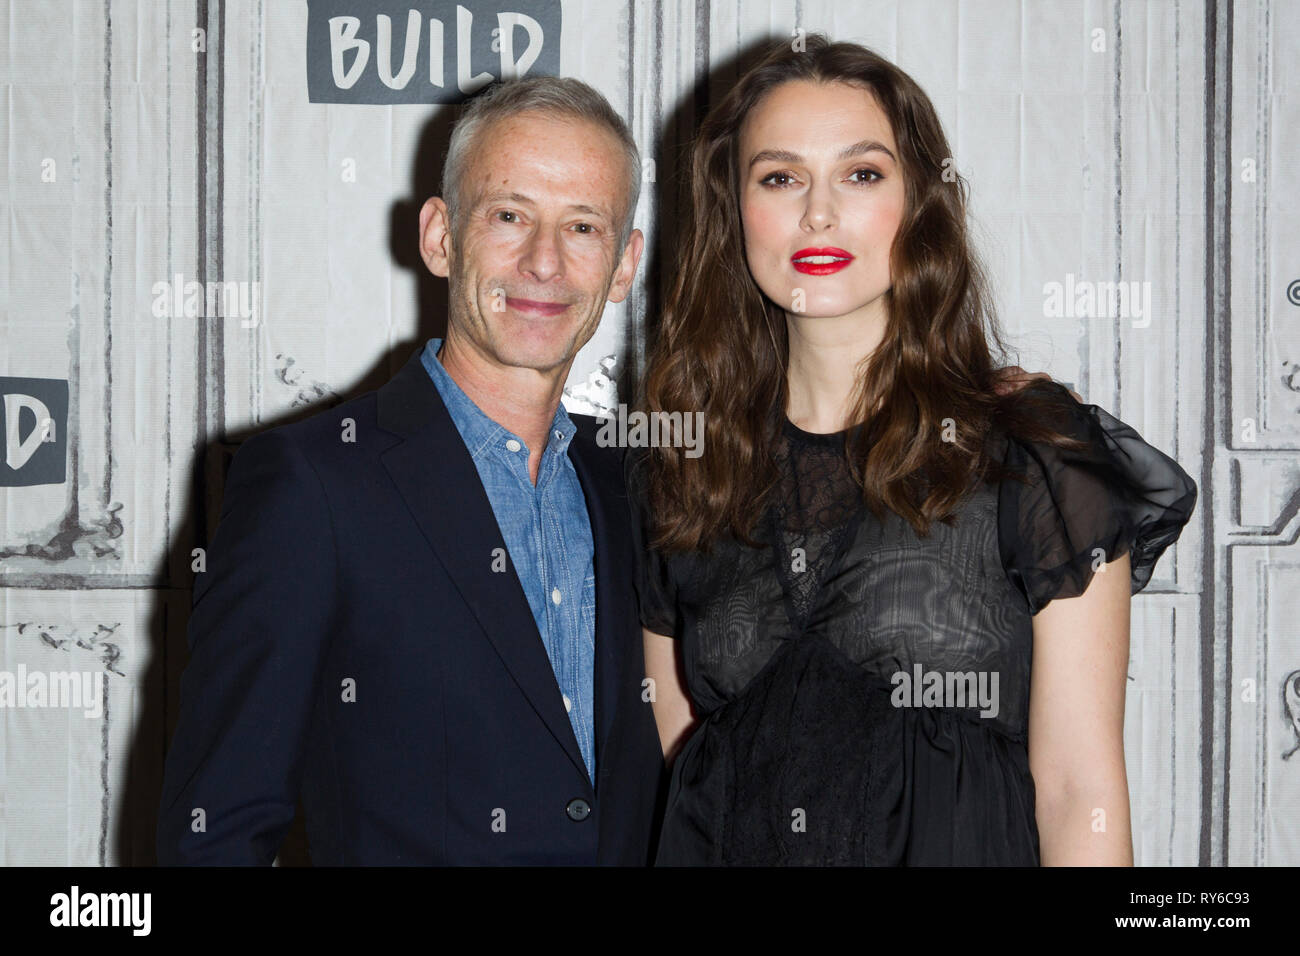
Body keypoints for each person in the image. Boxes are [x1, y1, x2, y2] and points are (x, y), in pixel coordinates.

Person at [629, 36, 1198, 866]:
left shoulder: (1032, 453)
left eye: (862, 174)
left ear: (920, 203)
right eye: (779, 177)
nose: (818, 213)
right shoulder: (680, 474)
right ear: (732, 209)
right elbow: (689, 768)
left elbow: (1082, 792)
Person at [157, 77, 666, 865]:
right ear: (440, 237)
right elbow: (216, 830)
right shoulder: (309, 484)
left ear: (624, 263)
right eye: (509, 215)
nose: (544, 261)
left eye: (584, 227)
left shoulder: (641, 482)